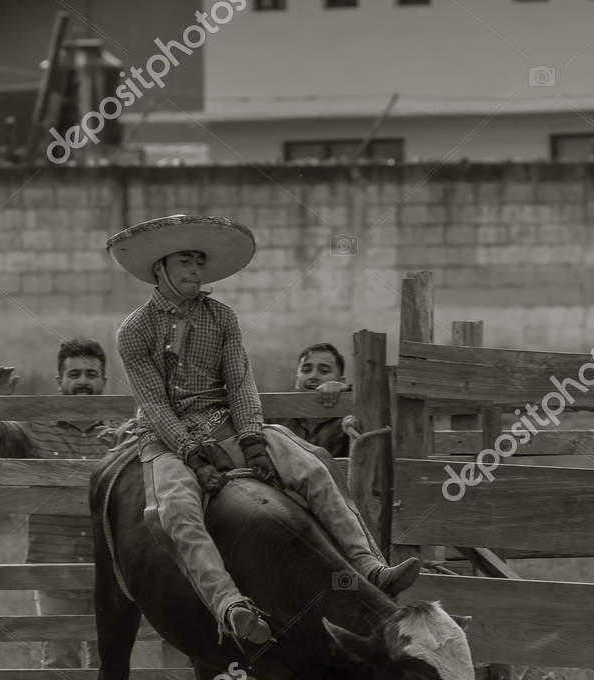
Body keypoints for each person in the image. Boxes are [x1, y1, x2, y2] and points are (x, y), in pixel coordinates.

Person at [106, 213, 418, 646]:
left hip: (231, 425)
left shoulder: (223, 318)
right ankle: (230, 606)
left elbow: (240, 383)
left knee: (312, 467)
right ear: (160, 267)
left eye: (200, 260)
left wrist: (252, 439)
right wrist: (193, 454)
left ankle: (369, 567)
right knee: (177, 511)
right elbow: (154, 404)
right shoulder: (133, 330)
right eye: (186, 261)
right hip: (167, 440)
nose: (196, 268)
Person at [0, 337, 116, 680]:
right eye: (74, 374)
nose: (82, 381)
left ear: (104, 380)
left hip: (112, 566)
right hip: (55, 563)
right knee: (60, 656)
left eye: (91, 374)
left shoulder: (123, 431)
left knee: (109, 656)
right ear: (59, 380)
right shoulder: (35, 427)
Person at [280, 342, 350, 459]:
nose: (313, 376)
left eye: (324, 371)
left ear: (341, 381)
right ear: (297, 380)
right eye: (306, 370)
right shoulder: (278, 417)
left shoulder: (349, 420)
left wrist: (348, 391)